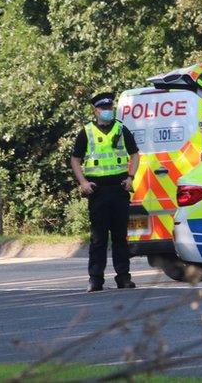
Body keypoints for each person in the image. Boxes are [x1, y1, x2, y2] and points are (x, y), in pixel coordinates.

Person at [70, 92, 139, 292]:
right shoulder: (87, 132)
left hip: (119, 188)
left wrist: (130, 177)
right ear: (95, 110)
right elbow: (75, 159)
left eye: (110, 108)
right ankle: (95, 279)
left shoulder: (121, 129)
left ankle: (123, 277)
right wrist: (83, 182)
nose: (108, 111)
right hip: (97, 191)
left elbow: (135, 154)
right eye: (104, 108)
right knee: (98, 238)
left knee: (120, 236)